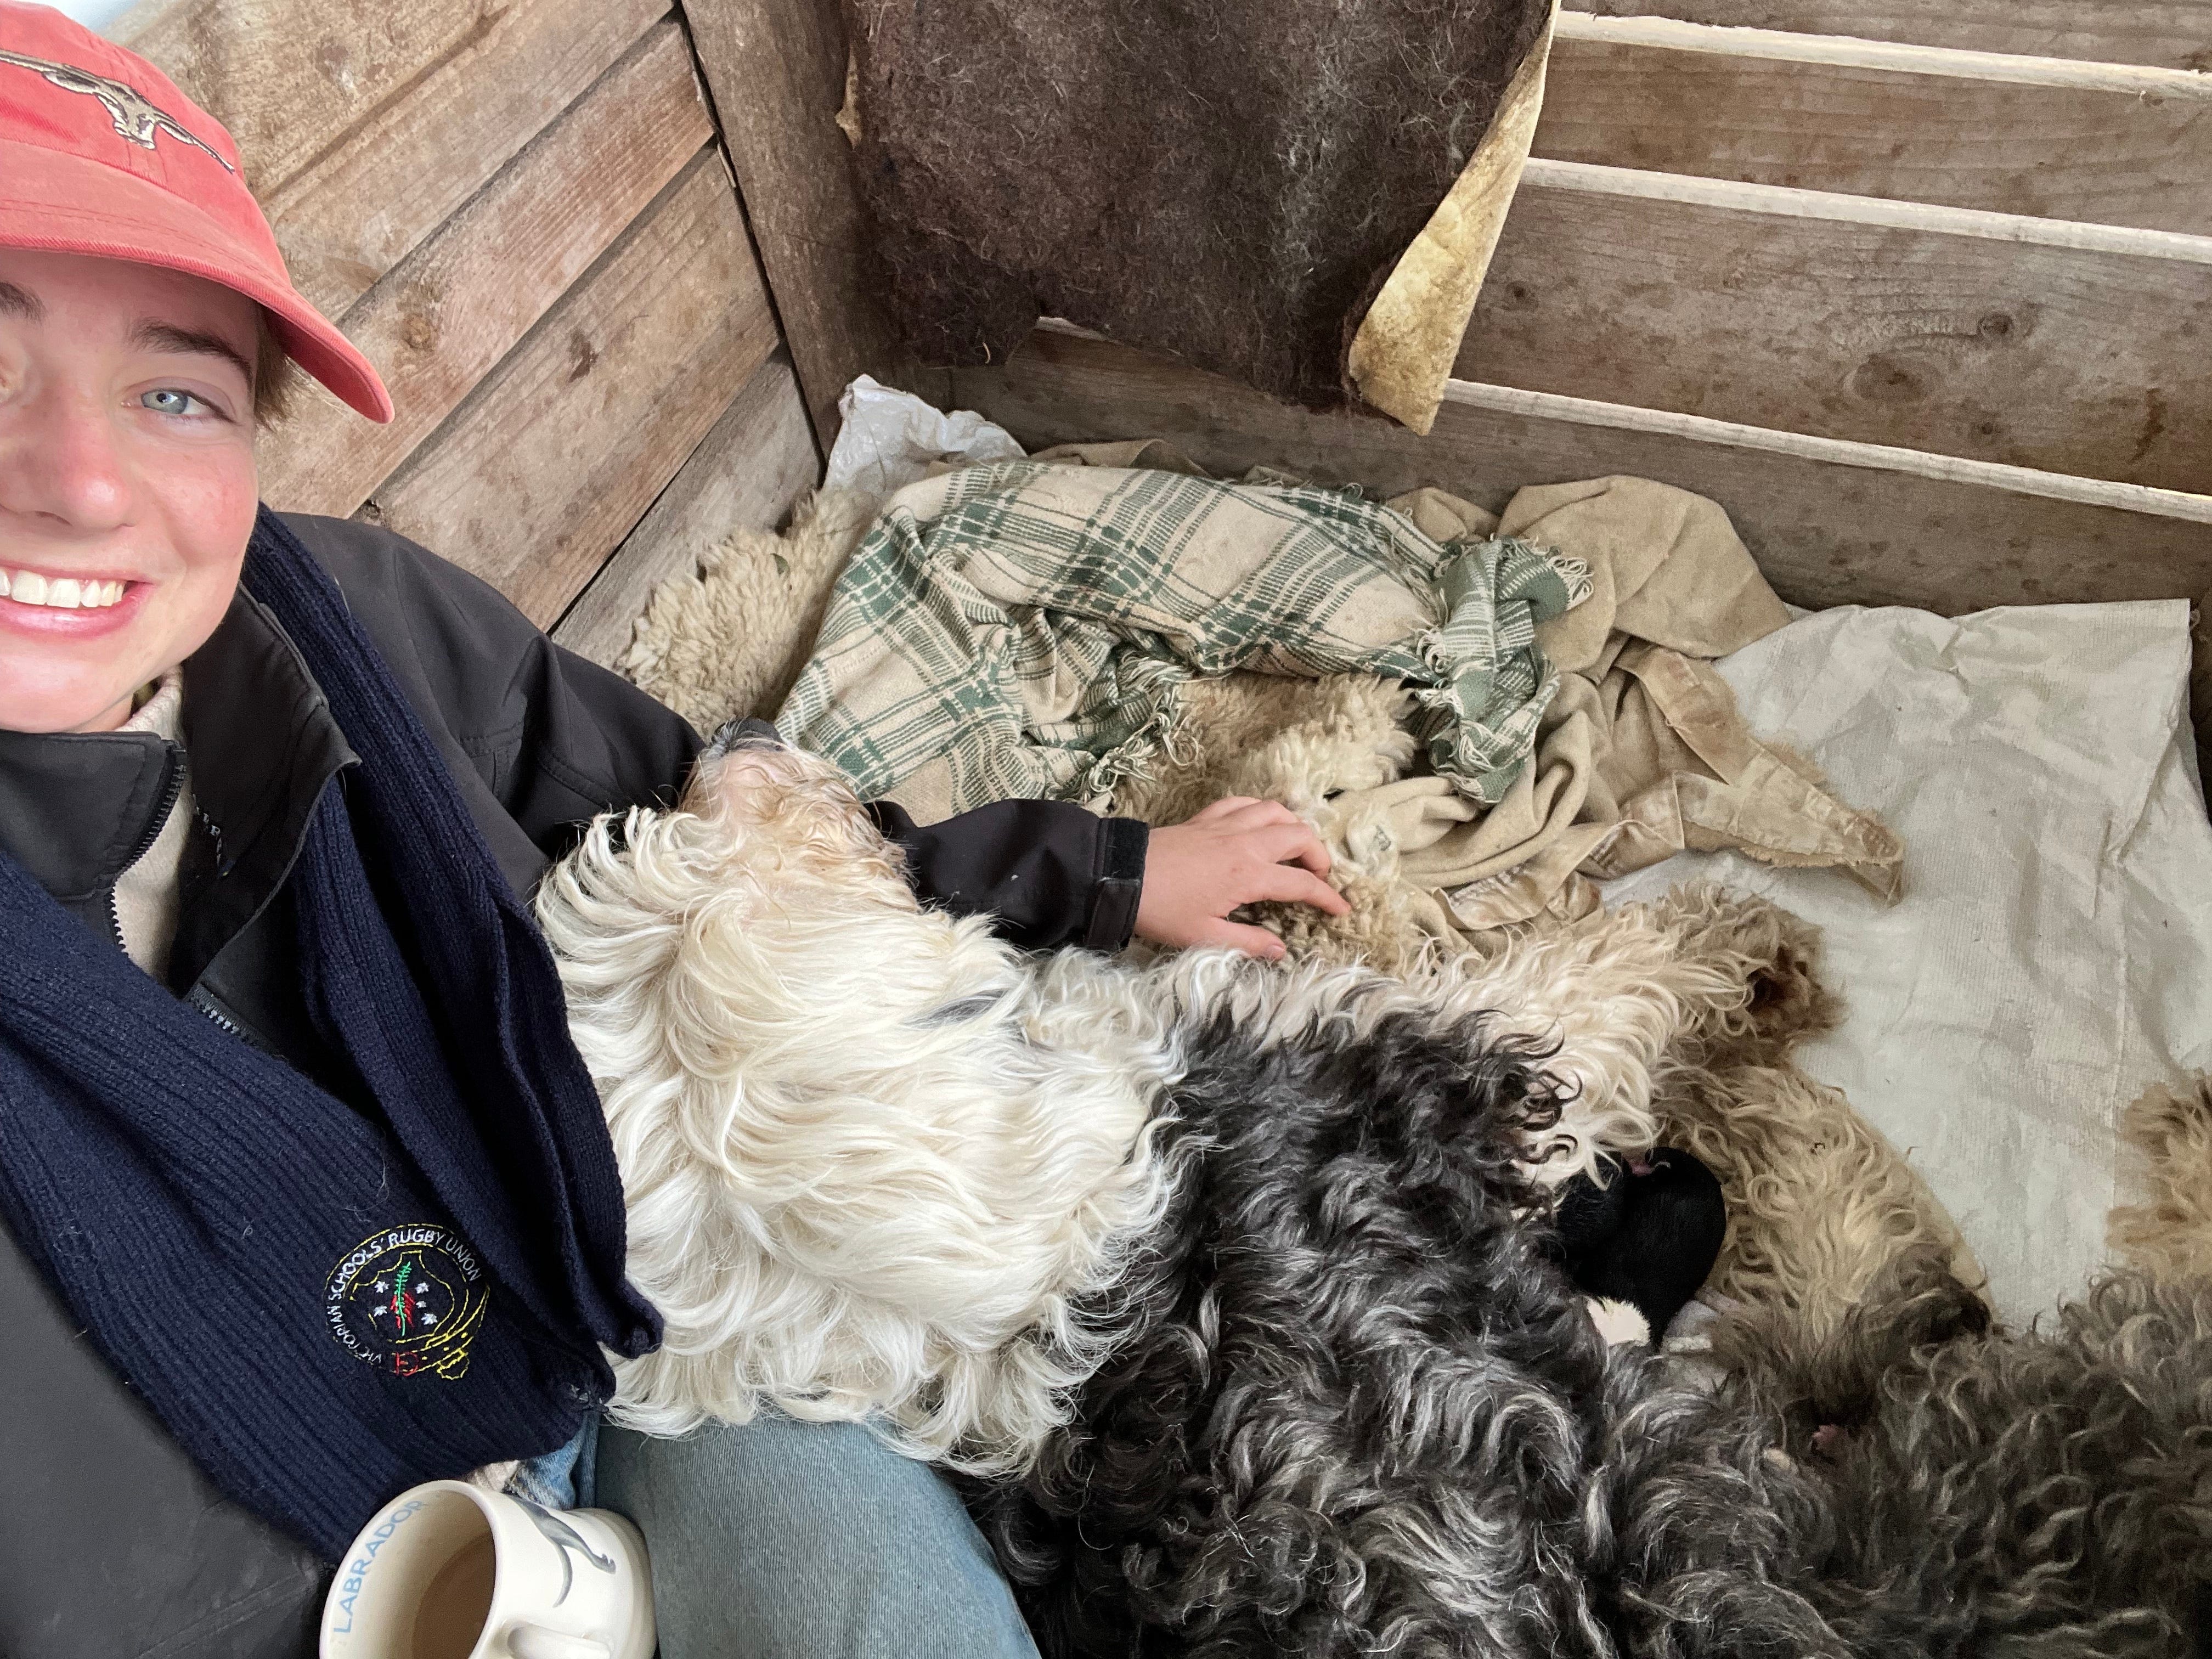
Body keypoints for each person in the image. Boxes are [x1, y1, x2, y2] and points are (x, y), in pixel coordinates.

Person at [0, 7, 1351, 1656]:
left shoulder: (350, 624)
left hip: (635, 1320)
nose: (78, 478)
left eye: (176, 392)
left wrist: (1103, 869)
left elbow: (713, 819)